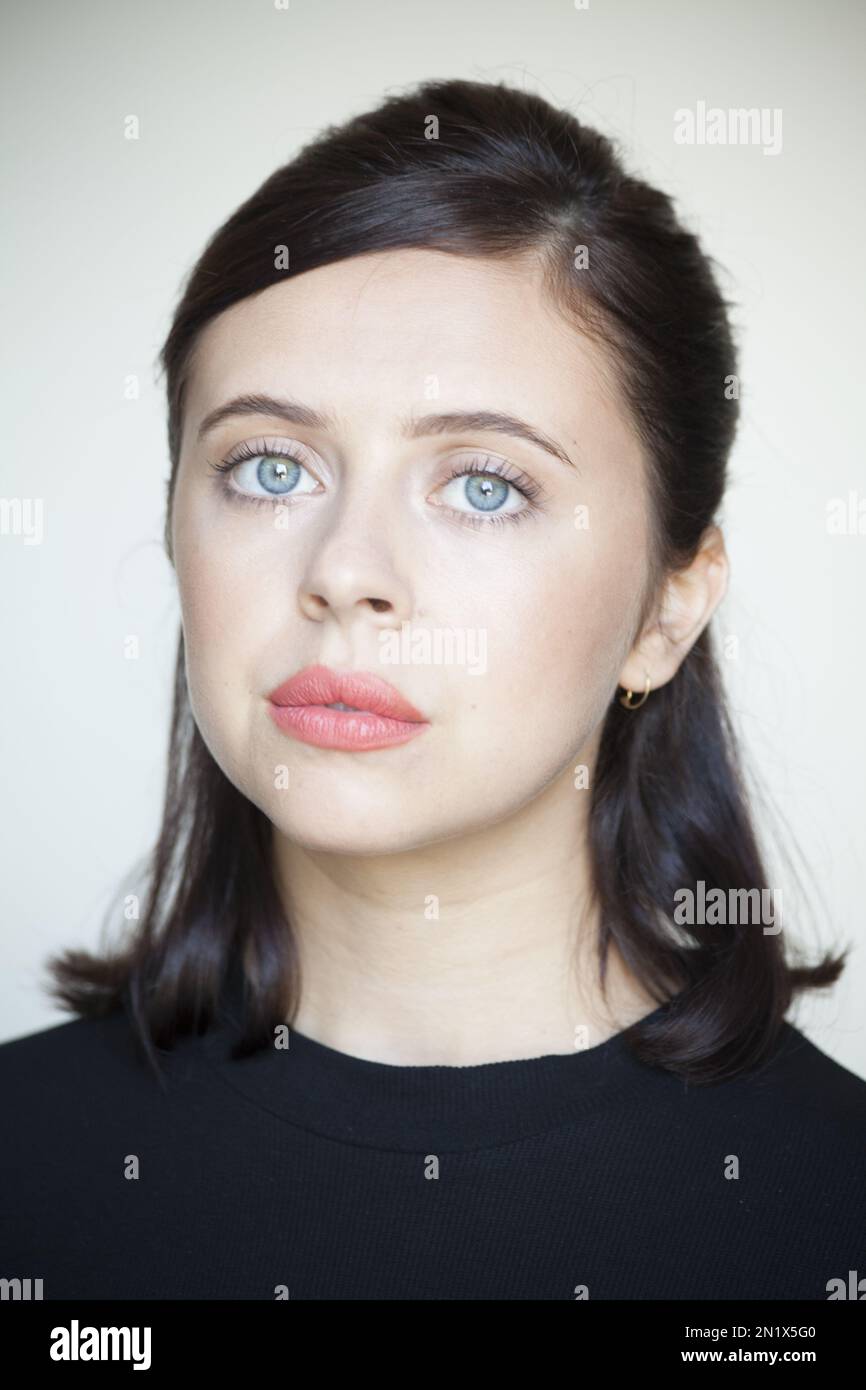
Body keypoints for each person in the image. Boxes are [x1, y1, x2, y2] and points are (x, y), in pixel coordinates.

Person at [2, 77, 864, 1302]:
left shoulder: (831, 1220)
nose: (345, 573)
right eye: (267, 467)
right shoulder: (24, 1171)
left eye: (483, 486)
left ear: (667, 607)